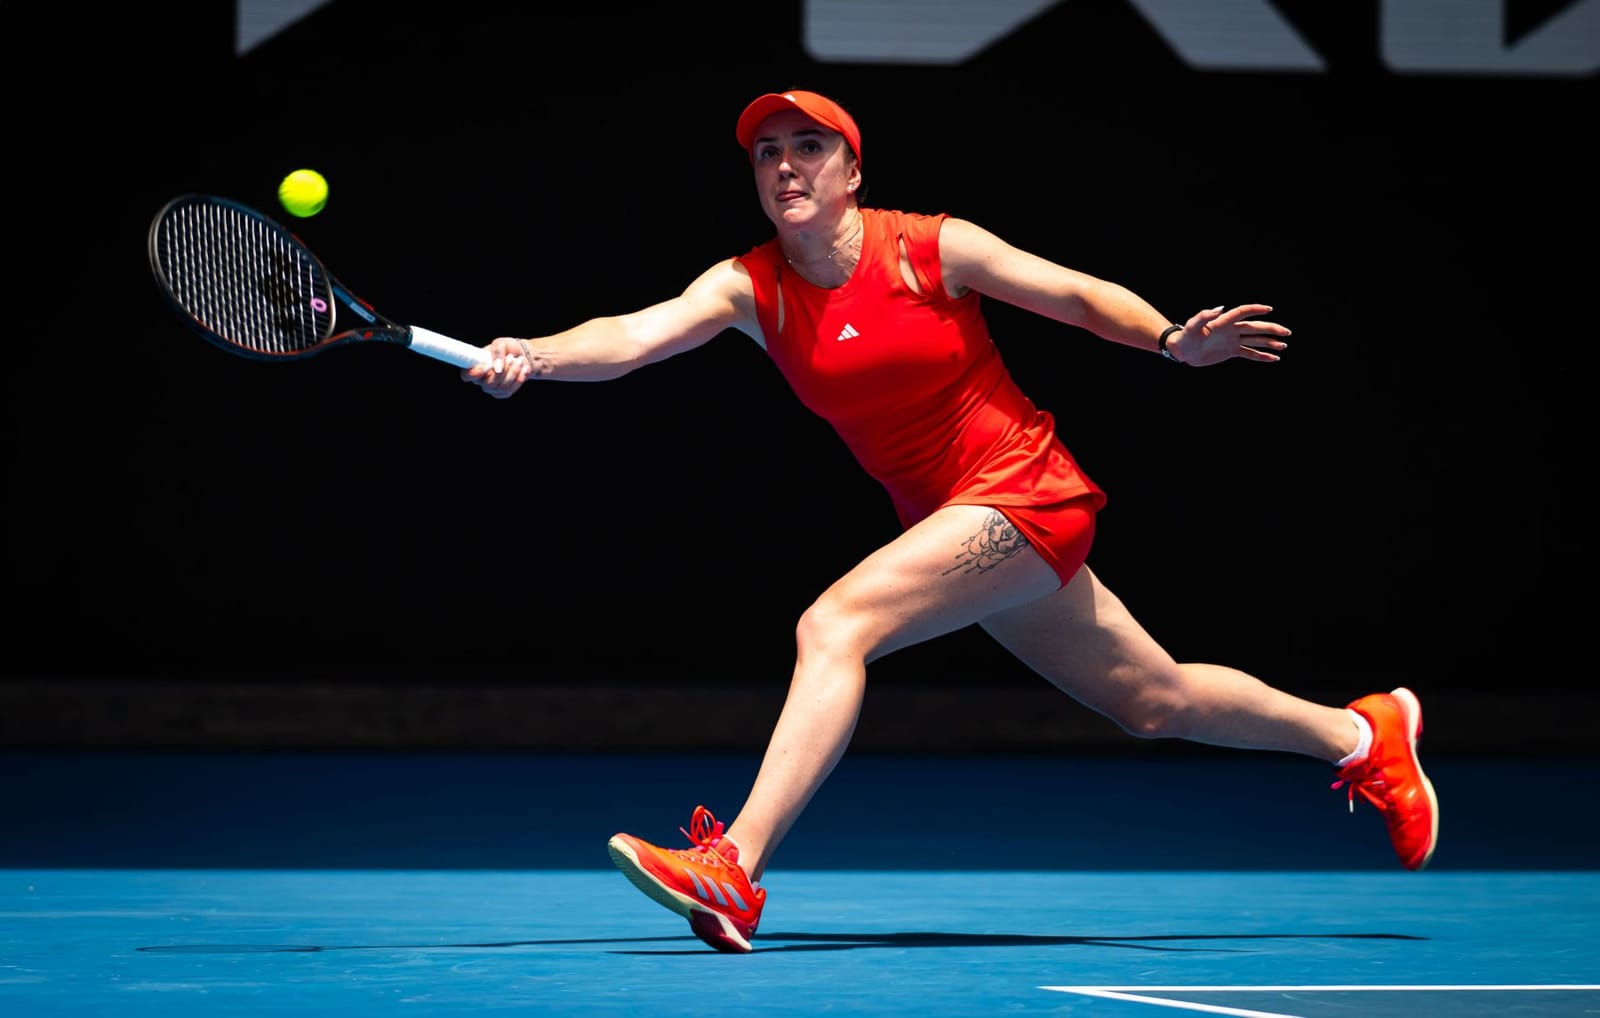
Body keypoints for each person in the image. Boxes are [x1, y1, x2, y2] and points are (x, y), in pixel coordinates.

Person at [461, 89, 1439, 953]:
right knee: (1155, 701)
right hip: (958, 530)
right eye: (767, 153)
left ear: (852, 171)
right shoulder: (748, 285)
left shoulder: (931, 246)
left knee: (835, 625)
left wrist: (1169, 340)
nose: (786, 166)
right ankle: (1361, 734)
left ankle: (735, 865)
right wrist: (533, 354)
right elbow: (632, 335)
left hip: (1023, 492)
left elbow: (1073, 294)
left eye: (808, 147)